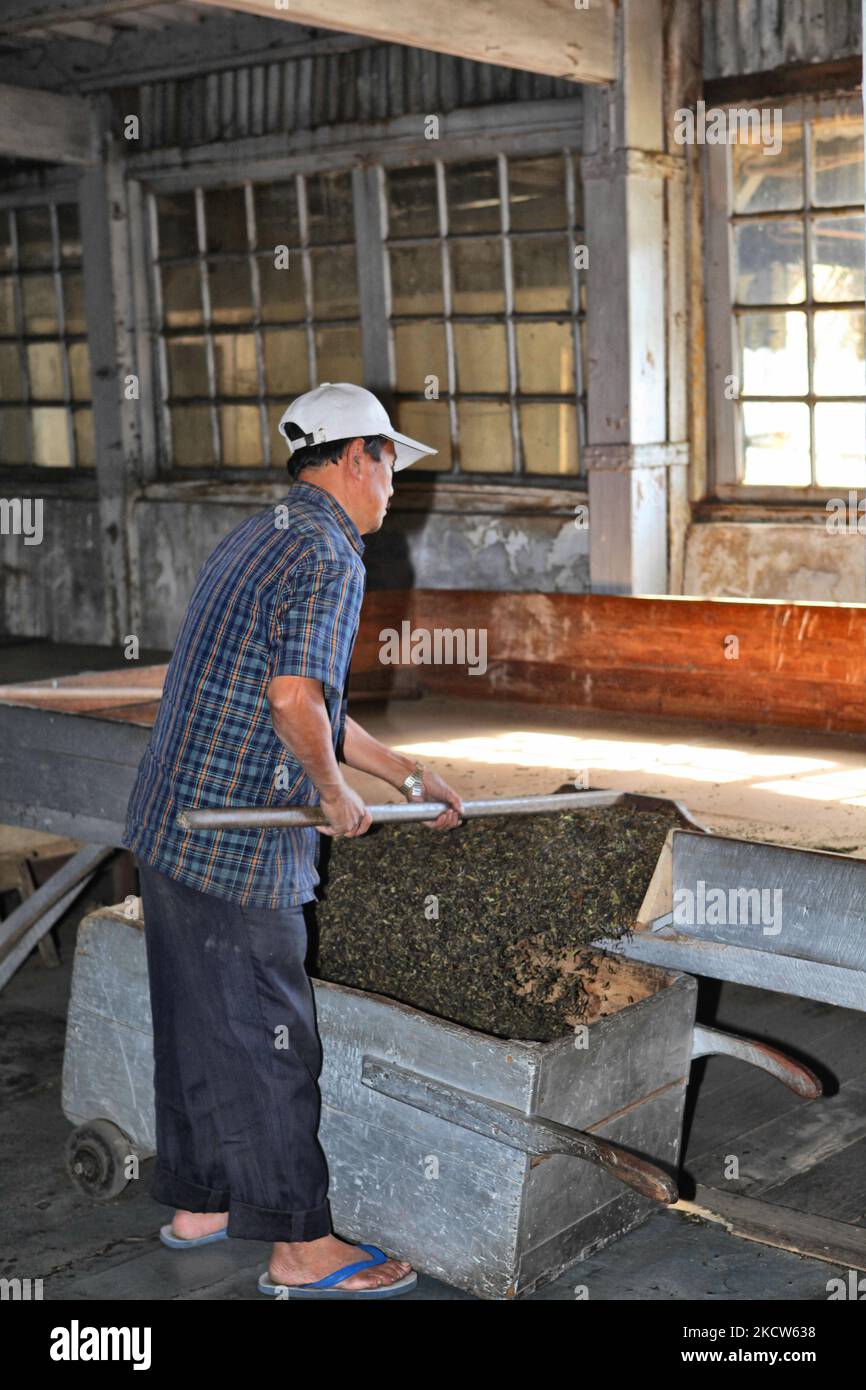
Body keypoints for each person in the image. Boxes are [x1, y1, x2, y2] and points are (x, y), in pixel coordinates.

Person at [123, 382, 464, 1299]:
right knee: (275, 1042)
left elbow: (311, 697)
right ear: (357, 456)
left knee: (196, 1024)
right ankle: (298, 1249)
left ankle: (200, 1202)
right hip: (241, 839)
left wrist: (405, 776)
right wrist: (333, 794)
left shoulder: (263, 531)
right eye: (391, 462)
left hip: (171, 823)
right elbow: (292, 702)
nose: (396, 485)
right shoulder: (330, 555)